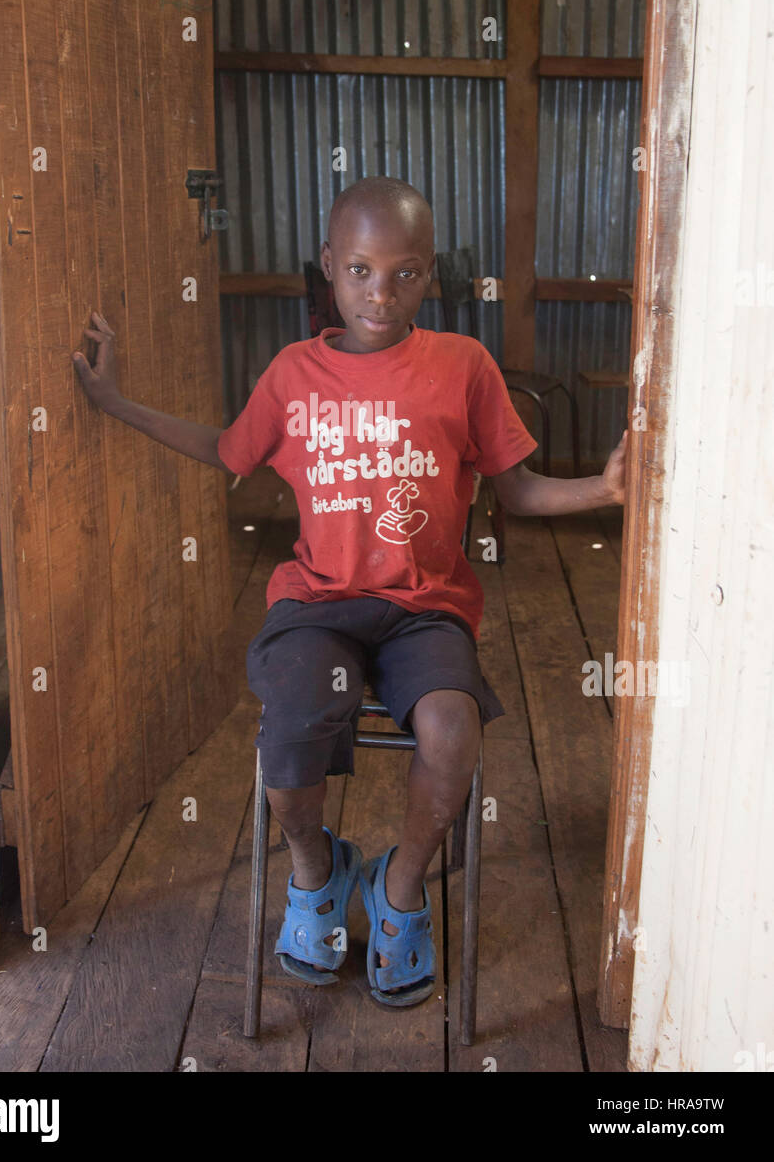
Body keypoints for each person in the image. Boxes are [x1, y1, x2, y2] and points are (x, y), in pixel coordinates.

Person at [72, 176, 627, 1009]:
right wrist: (113, 404)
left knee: (450, 726)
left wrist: (606, 492)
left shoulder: (464, 368)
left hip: (423, 609)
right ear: (330, 266)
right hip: (317, 606)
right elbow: (227, 451)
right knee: (288, 727)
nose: (381, 292)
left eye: (404, 273)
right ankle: (317, 875)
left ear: (429, 275)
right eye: (361, 269)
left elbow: (520, 491)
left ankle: (399, 891)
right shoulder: (294, 374)